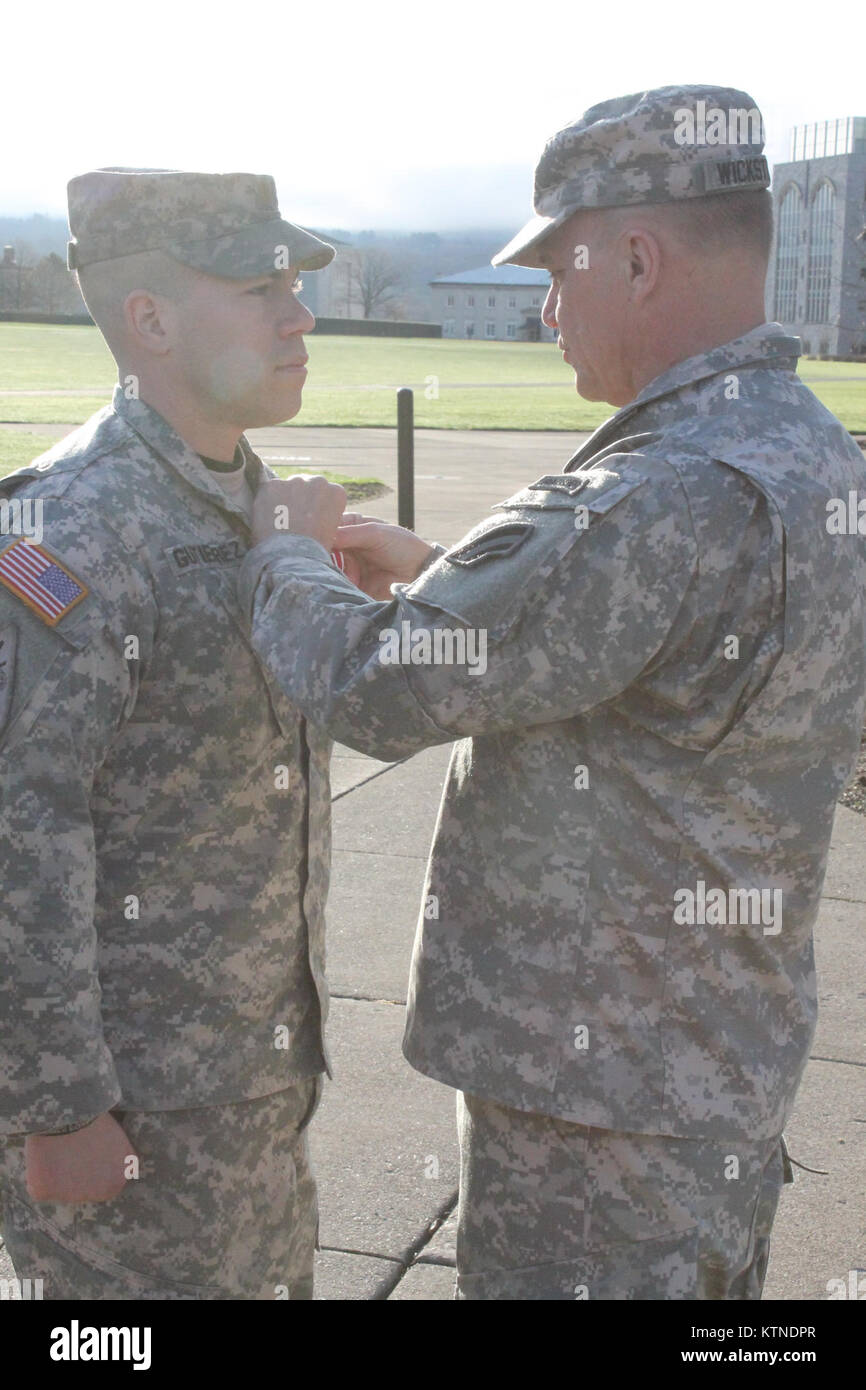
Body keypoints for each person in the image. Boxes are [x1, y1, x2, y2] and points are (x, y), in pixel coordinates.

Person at [236, 86, 866, 1299]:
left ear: (635, 258)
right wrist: (443, 574)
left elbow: (374, 687)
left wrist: (283, 547)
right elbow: (660, 662)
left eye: (559, 273)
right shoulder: (809, 454)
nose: (545, 308)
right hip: (714, 1078)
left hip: (597, 1115)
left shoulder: (651, 491)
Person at [0, 168, 338, 1299]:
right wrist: (59, 1106)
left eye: (294, 284)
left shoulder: (251, 503)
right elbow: (19, 830)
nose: (299, 315)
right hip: (131, 1118)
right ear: (147, 319)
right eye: (260, 286)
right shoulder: (71, 529)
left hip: (250, 1091)